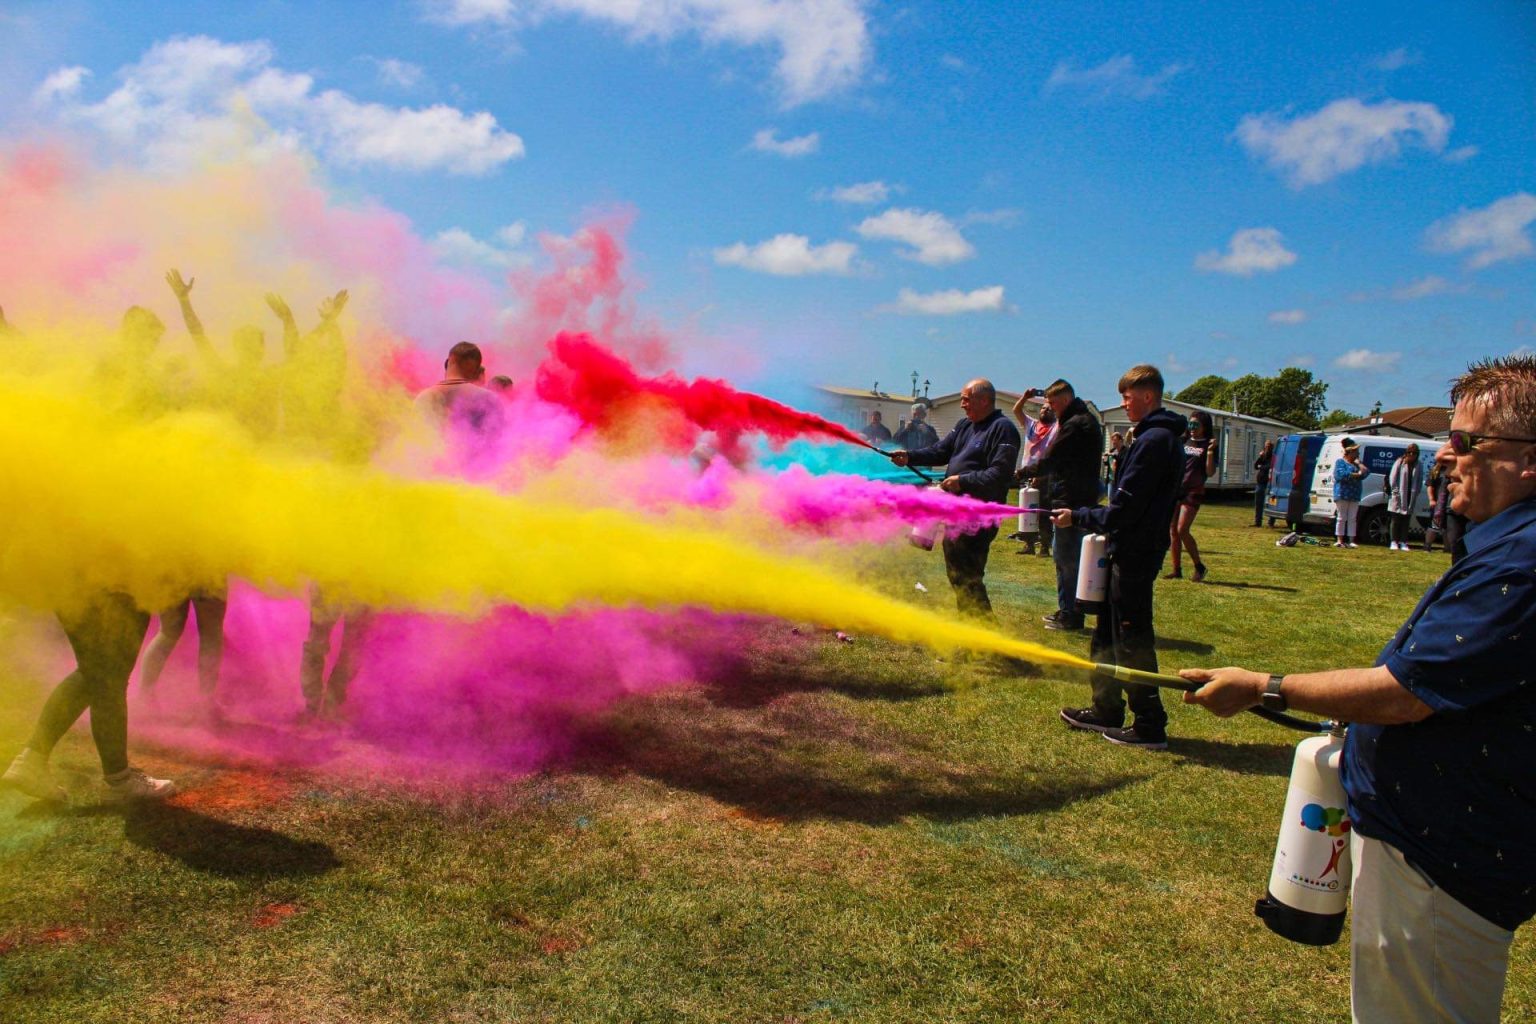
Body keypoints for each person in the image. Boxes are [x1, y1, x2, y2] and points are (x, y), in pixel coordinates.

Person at [1180, 355, 1536, 1023]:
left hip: (1444, 860)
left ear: (1530, 461)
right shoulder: (1503, 544)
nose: (1445, 457)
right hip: (1444, 844)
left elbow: (1406, 693)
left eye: (1466, 443)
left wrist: (1264, 686)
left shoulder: (1523, 559)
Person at [1051, 365, 1185, 750]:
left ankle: (1149, 723)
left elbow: (1124, 509)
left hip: (1136, 551)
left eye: (1127, 395)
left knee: (1131, 638)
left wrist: (1078, 515)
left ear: (1147, 395)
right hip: (1126, 547)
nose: (1123, 402)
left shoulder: (1155, 440)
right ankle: (1106, 708)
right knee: (1107, 632)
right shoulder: (1151, 437)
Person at [893, 379, 1021, 619]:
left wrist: (963, 481)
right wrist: (909, 456)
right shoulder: (965, 425)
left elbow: (1000, 474)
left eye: (966, 399)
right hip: (954, 511)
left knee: (967, 577)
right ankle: (977, 638)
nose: (962, 405)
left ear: (983, 400)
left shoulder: (1003, 429)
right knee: (958, 575)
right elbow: (940, 451)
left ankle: (982, 639)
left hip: (978, 516)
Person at [1016, 380, 1103, 631]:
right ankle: (1069, 610)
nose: (1051, 409)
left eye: (1053, 404)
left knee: (1066, 558)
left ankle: (1070, 615)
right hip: (1079, 496)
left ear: (1064, 400)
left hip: (1071, 499)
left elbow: (1051, 459)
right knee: (1069, 556)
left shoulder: (1075, 425)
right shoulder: (1084, 420)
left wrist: (1021, 473)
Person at [1167, 410, 1217, 582]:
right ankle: (1176, 569)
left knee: (1182, 529)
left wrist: (1210, 452)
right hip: (1176, 489)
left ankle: (1199, 566)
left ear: (1204, 427)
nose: (1193, 428)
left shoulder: (1207, 445)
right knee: (1173, 531)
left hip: (1193, 491)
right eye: (1191, 425)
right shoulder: (1183, 441)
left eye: (1196, 425)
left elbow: (1210, 472)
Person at [1011, 396, 1058, 556]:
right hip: (1027, 474)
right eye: (1044, 408)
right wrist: (1025, 397)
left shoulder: (1057, 428)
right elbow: (1016, 410)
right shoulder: (1031, 424)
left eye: (1050, 408)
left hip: (1045, 476)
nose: (1046, 410)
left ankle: (1044, 546)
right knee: (1027, 511)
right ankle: (1029, 545)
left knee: (1044, 512)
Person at [1385, 443, 1423, 551]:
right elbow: (1392, 478)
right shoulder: (1400, 462)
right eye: (1410, 452)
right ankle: (1393, 541)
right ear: (1406, 453)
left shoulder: (1419, 464)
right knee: (1395, 519)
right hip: (1398, 495)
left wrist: (1417, 492)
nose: (1412, 454)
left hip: (1410, 495)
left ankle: (1403, 542)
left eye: (1414, 453)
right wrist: (1395, 492)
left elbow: (1419, 480)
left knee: (1406, 520)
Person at [1332, 438, 1367, 548]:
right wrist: (1355, 475)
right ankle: (1340, 540)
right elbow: (1340, 476)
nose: (1358, 453)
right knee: (1341, 517)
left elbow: (1365, 473)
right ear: (1350, 452)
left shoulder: (1357, 464)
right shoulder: (1340, 462)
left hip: (1354, 494)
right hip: (1342, 493)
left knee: (1352, 518)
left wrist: (1359, 464)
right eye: (1356, 451)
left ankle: (1351, 540)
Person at [1252, 439, 1275, 527]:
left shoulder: (1273, 457)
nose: (1267, 448)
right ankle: (1258, 522)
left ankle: (1271, 521)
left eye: (1268, 446)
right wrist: (1260, 457)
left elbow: (1269, 467)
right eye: (1266, 446)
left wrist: (1261, 466)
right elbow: (1255, 466)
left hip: (1270, 483)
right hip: (1260, 482)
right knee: (1258, 502)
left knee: (1272, 501)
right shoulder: (1263, 456)